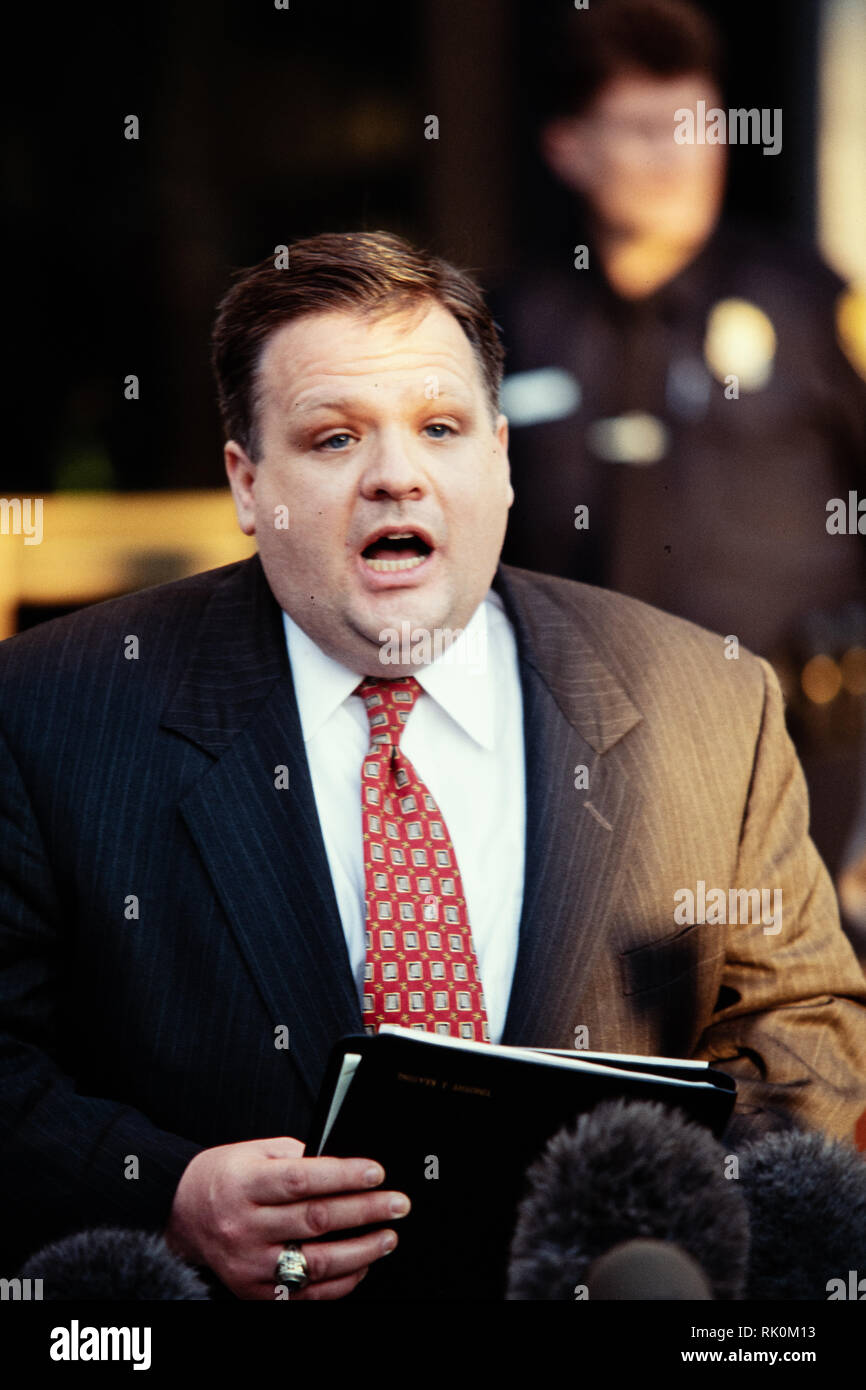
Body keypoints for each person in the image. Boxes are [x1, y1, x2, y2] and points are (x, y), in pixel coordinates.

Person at [1, 231, 864, 1303]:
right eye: (331, 439)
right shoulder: (49, 713)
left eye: (439, 427)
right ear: (245, 481)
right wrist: (166, 1194)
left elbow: (801, 1032)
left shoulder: (710, 704)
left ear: (499, 458)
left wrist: (648, 1235)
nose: (395, 475)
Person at [494, 0, 866, 881]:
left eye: (699, 124)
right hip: (582, 778)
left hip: (803, 771)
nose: (680, 154)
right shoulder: (515, 326)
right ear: (568, 147)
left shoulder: (814, 303)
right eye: (644, 127)